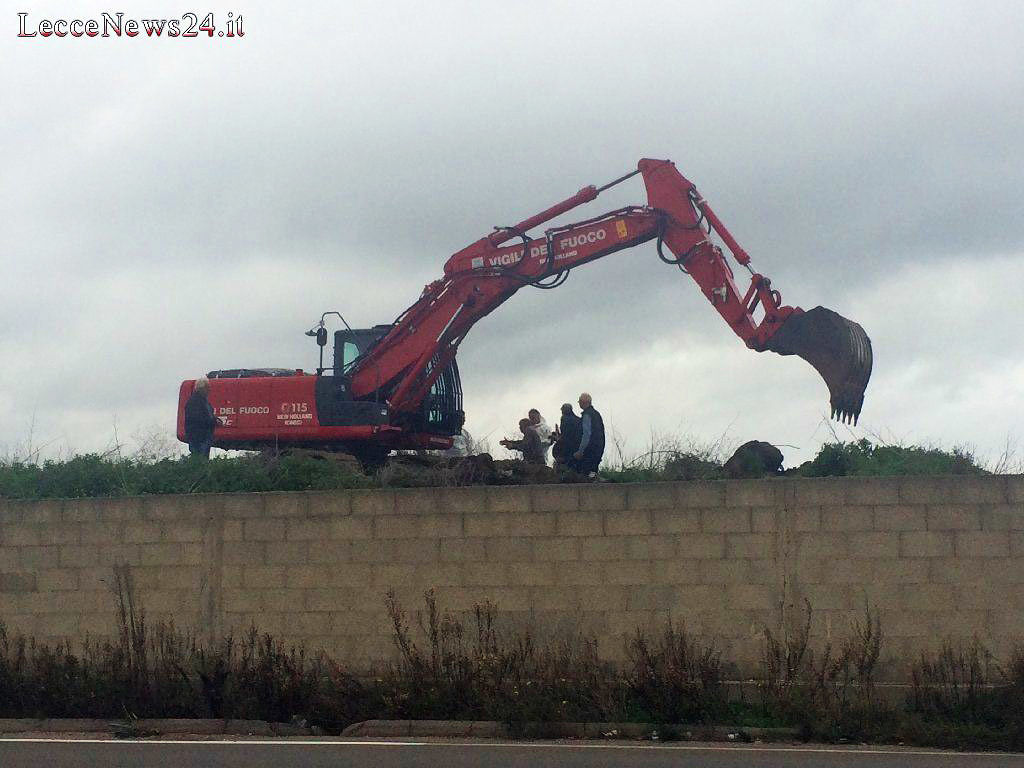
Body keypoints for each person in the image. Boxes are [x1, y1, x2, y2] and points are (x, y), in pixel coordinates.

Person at [184, 376, 218, 459]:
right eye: (208, 388)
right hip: (199, 437)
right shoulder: (195, 402)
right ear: (203, 388)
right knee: (200, 459)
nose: (209, 390)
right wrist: (213, 421)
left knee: (202, 458)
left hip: (203, 436)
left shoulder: (202, 401)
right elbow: (198, 419)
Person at [572, 392, 605, 478]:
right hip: (598, 448)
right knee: (593, 472)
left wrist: (580, 451)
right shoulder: (596, 414)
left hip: (589, 450)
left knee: (585, 475)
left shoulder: (587, 415)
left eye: (579, 401)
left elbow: (586, 435)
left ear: (584, 402)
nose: (579, 403)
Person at [552, 403, 582, 471]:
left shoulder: (564, 418)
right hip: (577, 446)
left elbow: (565, 435)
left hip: (567, 447)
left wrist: (558, 438)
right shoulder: (578, 420)